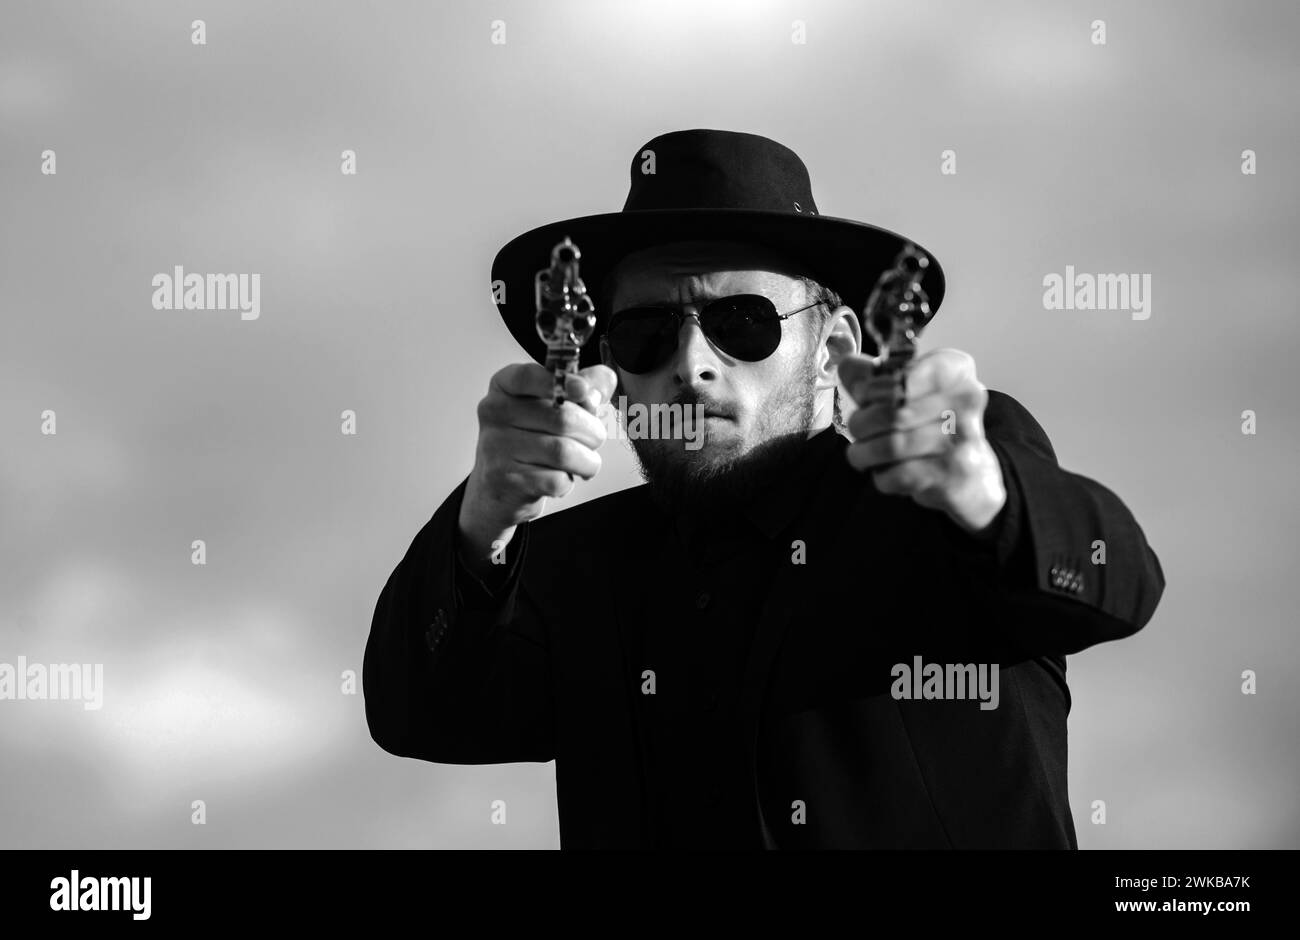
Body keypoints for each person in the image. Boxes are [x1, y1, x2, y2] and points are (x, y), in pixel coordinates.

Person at [363, 129, 1165, 849]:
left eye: (742, 321)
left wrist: (987, 495)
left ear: (834, 348)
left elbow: (1117, 584)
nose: (692, 363)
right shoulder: (574, 566)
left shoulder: (930, 505)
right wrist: (484, 518)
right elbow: (418, 711)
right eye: (645, 334)